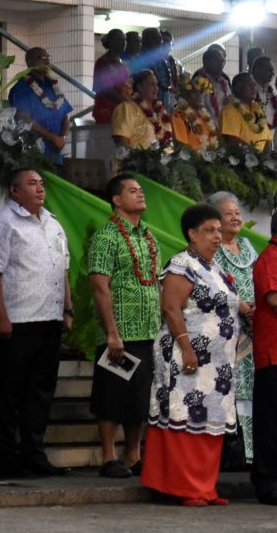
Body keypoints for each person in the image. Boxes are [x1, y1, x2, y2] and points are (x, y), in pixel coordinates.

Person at [142, 203, 239, 506]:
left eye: (219, 231)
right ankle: (184, 488)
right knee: (186, 416)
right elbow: (171, 308)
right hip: (187, 357)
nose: (216, 237)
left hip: (217, 366)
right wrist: (187, 348)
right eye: (209, 231)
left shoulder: (215, 268)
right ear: (191, 234)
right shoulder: (182, 264)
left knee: (209, 419)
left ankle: (205, 488)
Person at [0, 168, 71, 477]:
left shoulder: (53, 223)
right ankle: (6, 456)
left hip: (49, 318)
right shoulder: (4, 223)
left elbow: (62, 268)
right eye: (31, 184)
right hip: (18, 319)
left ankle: (33, 452)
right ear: (14, 191)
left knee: (41, 391)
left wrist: (68, 309)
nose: (39, 189)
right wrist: (2, 316)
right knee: (10, 392)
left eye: (41, 183)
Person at [88, 173, 161, 479]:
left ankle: (133, 456)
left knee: (139, 398)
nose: (140, 194)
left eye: (141, 190)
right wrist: (112, 332)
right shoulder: (106, 237)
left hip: (147, 330)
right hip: (118, 333)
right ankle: (108, 457)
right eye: (133, 191)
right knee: (112, 395)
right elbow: (100, 286)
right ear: (117, 200)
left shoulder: (148, 236)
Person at [209, 191, 258, 464]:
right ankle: (231, 449)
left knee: (250, 387)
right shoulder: (214, 250)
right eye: (229, 213)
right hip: (227, 329)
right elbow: (214, 283)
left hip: (253, 328)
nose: (236, 217)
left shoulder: (249, 247)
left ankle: (251, 450)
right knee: (229, 387)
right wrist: (239, 305)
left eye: (237, 212)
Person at [251, 211, 277, 504]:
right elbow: (273, 298)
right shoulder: (271, 255)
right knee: (271, 421)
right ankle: (268, 481)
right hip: (273, 353)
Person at [9, 47, 73, 163]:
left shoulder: (53, 86)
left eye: (49, 58)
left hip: (56, 151)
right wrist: (53, 137)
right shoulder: (22, 87)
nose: (47, 61)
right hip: (34, 151)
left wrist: (61, 137)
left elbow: (65, 117)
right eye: (42, 58)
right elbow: (24, 119)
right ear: (29, 62)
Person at [112, 70, 171, 150]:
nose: (156, 88)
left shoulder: (161, 112)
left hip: (164, 160)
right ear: (139, 87)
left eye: (156, 84)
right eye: (151, 84)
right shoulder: (127, 108)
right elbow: (122, 142)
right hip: (138, 160)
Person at [219, 72, 273, 151]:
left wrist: (266, 158)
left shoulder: (258, 109)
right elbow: (232, 141)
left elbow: (268, 138)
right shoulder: (229, 110)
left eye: (254, 84)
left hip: (261, 160)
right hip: (242, 160)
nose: (254, 87)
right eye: (249, 84)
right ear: (237, 88)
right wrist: (257, 157)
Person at [171, 72, 218, 152]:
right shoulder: (178, 115)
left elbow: (212, 136)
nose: (199, 96)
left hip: (209, 158)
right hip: (192, 161)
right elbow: (182, 146)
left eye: (200, 93)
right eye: (195, 92)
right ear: (185, 95)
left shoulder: (202, 114)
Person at [93, 29, 130, 124]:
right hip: (108, 109)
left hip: (123, 109)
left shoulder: (123, 63)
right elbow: (105, 89)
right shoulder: (103, 62)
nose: (123, 42)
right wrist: (124, 102)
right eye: (119, 40)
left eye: (124, 40)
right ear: (111, 42)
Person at [194, 46, 231, 120]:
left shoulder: (224, 82)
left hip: (224, 126)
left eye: (222, 61)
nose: (221, 65)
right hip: (206, 126)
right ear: (206, 62)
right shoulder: (198, 82)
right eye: (217, 61)